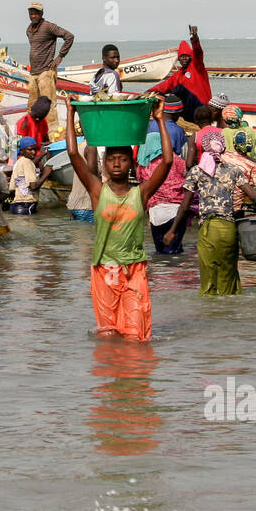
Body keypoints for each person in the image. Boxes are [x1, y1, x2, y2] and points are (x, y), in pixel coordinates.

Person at [64, 97, 173, 340]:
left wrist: (159, 119)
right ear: (105, 164)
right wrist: (70, 113)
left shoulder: (141, 193)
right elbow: (73, 152)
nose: (116, 163)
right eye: (112, 159)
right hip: (104, 269)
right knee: (108, 335)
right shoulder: (96, 190)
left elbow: (167, 161)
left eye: (122, 159)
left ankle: (135, 375)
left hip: (134, 269)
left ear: (131, 164)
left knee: (136, 336)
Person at [172, 131, 256, 295]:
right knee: (228, 278)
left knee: (208, 281)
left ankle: (211, 314)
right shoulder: (233, 170)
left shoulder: (196, 172)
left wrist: (172, 230)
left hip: (208, 230)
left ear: (204, 148)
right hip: (228, 229)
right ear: (223, 149)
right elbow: (255, 196)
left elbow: (185, 207)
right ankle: (230, 315)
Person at [136, 128, 188, 254]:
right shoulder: (177, 160)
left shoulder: (144, 164)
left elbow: (141, 183)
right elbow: (185, 175)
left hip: (156, 213)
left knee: (160, 251)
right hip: (177, 211)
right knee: (175, 251)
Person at [25, 2, 74, 128]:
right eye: (31, 13)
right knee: (32, 107)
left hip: (46, 72)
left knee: (49, 106)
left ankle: (53, 134)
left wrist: (59, 57)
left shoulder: (48, 26)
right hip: (33, 73)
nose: (33, 15)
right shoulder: (29, 30)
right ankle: (36, 134)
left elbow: (69, 36)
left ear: (41, 14)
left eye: (36, 13)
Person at [147, 24, 211, 111]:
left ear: (191, 57)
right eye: (181, 56)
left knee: (179, 89)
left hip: (202, 107)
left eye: (186, 56)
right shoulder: (177, 75)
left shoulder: (197, 67)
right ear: (179, 59)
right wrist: (149, 92)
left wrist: (194, 38)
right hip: (189, 109)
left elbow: (198, 52)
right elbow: (163, 86)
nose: (184, 58)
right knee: (160, 95)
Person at [9, 137, 53, 214]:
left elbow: (12, 188)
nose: (33, 152)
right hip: (26, 206)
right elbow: (33, 187)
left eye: (35, 149)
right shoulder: (27, 163)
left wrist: (45, 154)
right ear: (22, 151)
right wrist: (46, 174)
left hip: (17, 206)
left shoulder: (19, 162)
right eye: (30, 150)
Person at [66, 143, 98, 222]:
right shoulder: (91, 147)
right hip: (86, 205)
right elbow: (92, 176)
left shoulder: (80, 145)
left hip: (75, 203)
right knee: (90, 233)